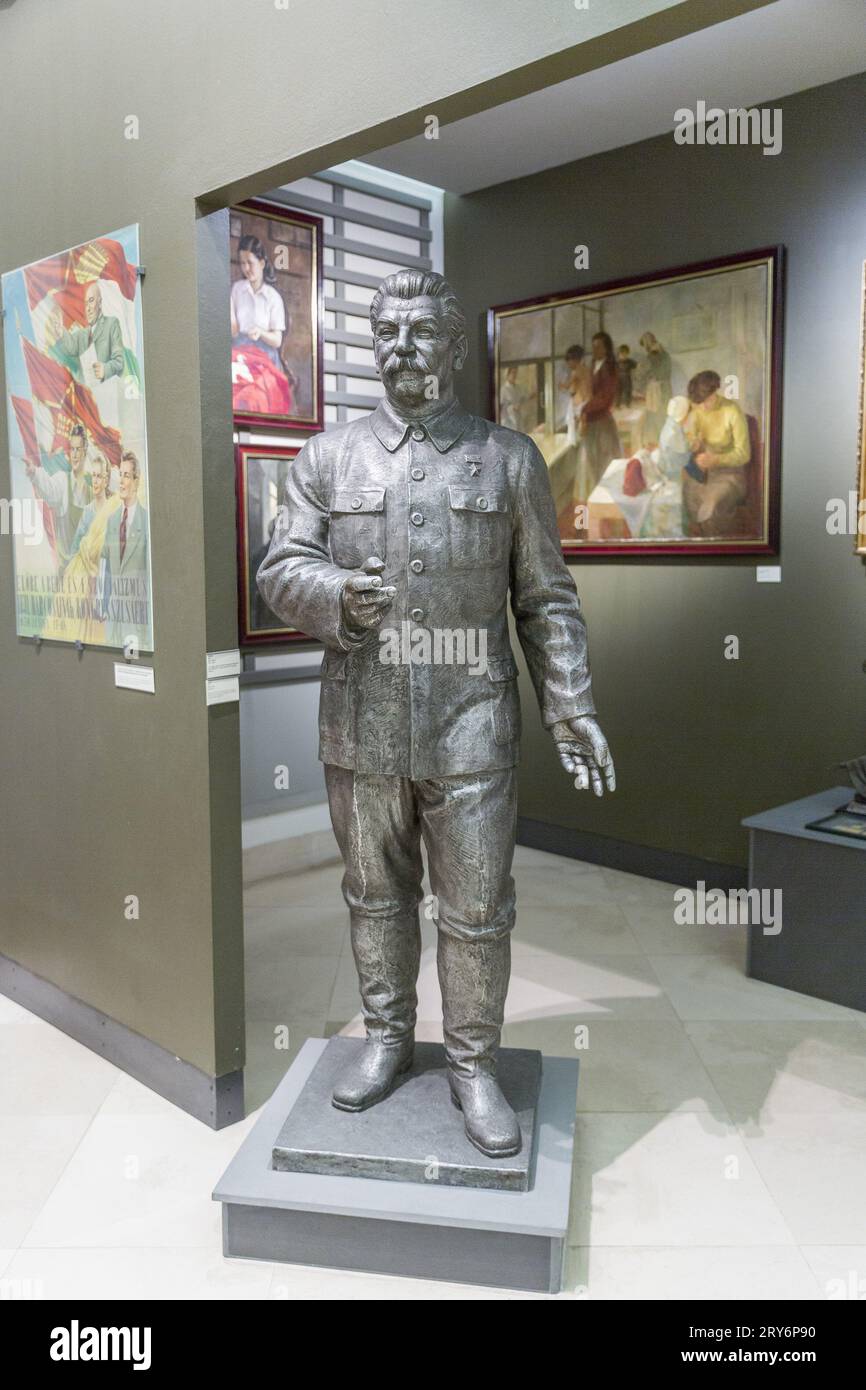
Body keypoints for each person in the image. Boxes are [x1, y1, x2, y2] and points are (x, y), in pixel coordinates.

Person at [257, 270, 615, 1159]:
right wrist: (337, 592)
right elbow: (278, 569)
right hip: (360, 720)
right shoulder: (326, 458)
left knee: (477, 907)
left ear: (455, 347)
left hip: (471, 724)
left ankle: (472, 1062)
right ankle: (384, 1039)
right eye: (386, 331)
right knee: (375, 896)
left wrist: (569, 703)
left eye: (420, 332)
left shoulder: (509, 459)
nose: (400, 348)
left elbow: (545, 599)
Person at [41, 450, 121, 645]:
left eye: (99, 476)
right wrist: (65, 568)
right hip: (85, 582)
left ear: (106, 478)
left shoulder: (114, 509)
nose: (95, 481)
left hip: (107, 577)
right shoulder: (87, 512)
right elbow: (76, 546)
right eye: (93, 475)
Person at [682, 370, 751, 536]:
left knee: (712, 504)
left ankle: (713, 544)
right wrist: (693, 444)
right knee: (685, 493)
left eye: (707, 400)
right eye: (700, 403)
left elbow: (744, 454)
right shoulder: (697, 410)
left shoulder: (732, 411)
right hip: (704, 472)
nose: (703, 406)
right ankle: (697, 541)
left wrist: (716, 460)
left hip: (730, 474)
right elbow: (687, 437)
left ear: (715, 392)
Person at [101, 450, 151, 650]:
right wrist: (104, 607)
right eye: (120, 475)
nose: (121, 481)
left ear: (137, 481)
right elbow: (107, 571)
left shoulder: (146, 521)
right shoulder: (112, 521)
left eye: (127, 476)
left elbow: (149, 577)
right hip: (113, 620)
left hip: (137, 623)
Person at [25, 422, 92, 568]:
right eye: (72, 449)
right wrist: (34, 473)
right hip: (66, 574)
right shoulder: (62, 481)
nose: (74, 454)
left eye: (78, 449)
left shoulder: (91, 491)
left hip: (86, 575)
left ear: (85, 451)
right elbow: (48, 488)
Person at [230, 234, 287, 371]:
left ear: (261, 263)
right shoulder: (237, 289)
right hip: (239, 352)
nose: (246, 268)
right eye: (243, 263)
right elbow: (233, 329)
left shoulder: (273, 297)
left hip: (264, 356)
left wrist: (261, 332)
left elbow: (277, 340)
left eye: (250, 263)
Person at [49, 281, 124, 385]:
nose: (87, 308)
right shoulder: (83, 333)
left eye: (91, 300)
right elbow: (70, 348)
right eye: (85, 303)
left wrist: (105, 369)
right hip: (88, 393)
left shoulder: (111, 324)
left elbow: (119, 362)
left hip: (107, 389)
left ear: (100, 302)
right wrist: (61, 331)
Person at [580, 331, 621, 490]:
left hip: (602, 422)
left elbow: (605, 398)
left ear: (606, 349)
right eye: (593, 347)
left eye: (598, 347)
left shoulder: (610, 368)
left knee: (606, 461)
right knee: (593, 461)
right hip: (591, 421)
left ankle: (609, 496)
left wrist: (585, 408)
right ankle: (600, 494)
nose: (595, 350)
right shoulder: (593, 365)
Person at [634, 331, 672, 443]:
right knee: (660, 418)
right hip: (662, 389)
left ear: (648, 342)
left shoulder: (655, 354)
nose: (645, 348)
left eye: (645, 345)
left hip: (659, 391)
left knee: (659, 418)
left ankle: (661, 443)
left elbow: (644, 371)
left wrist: (639, 371)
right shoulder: (661, 352)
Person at [499, 365, 535, 432]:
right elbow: (501, 406)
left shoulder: (518, 388)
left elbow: (523, 398)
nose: (514, 375)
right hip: (508, 419)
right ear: (507, 374)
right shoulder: (503, 389)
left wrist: (531, 395)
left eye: (515, 373)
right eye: (512, 373)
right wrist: (512, 407)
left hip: (518, 417)